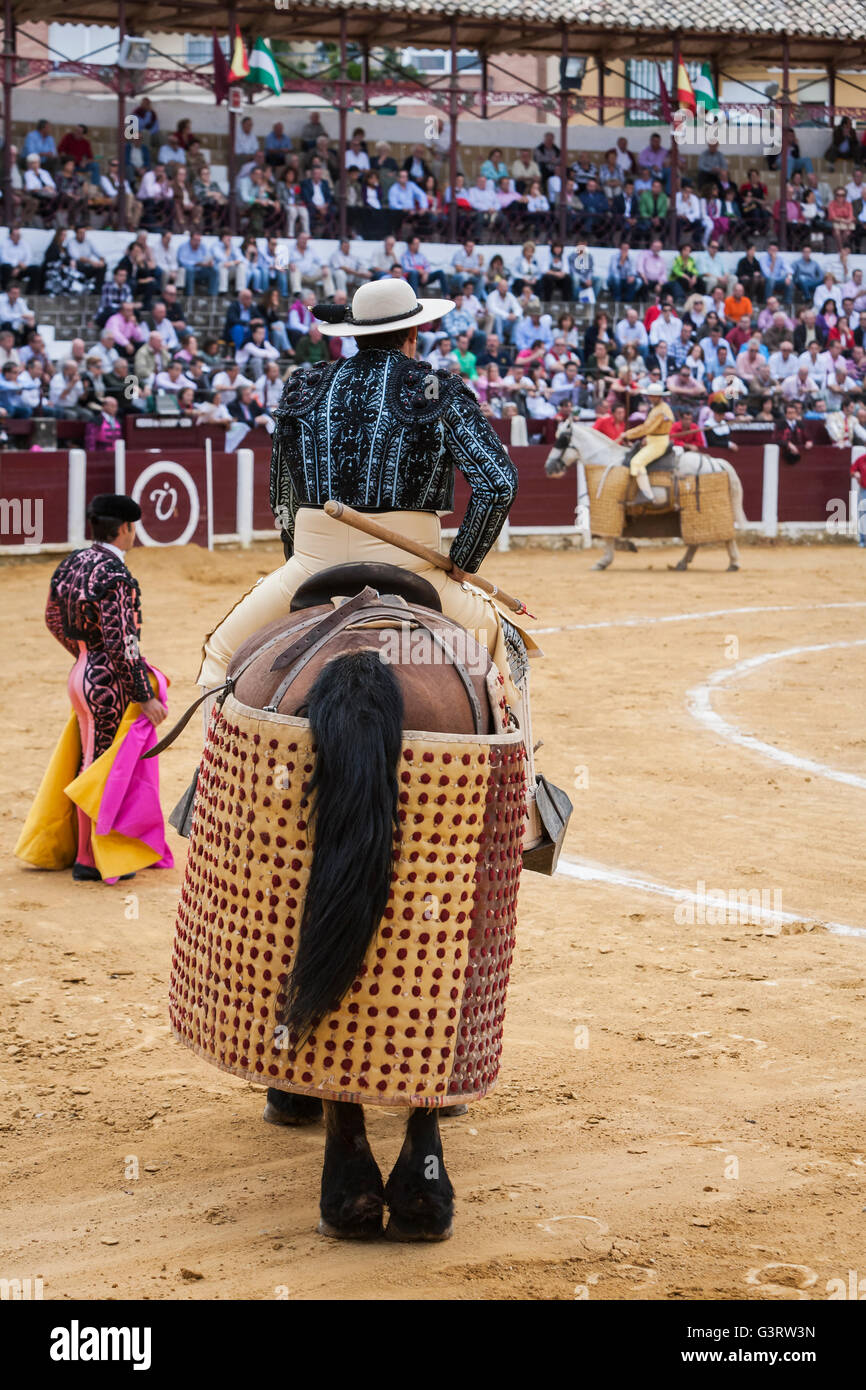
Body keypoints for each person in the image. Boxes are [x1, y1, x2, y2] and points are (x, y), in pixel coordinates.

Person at [198, 276, 533, 718]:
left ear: (353, 335)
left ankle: (213, 781)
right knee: (504, 647)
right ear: (414, 333)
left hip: (314, 563)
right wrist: (461, 564)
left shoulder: (304, 386)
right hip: (413, 567)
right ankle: (517, 777)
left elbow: (283, 496)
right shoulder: (436, 388)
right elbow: (499, 484)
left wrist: (300, 562)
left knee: (219, 659)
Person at [16, 495, 171, 884]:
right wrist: (142, 693)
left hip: (80, 674)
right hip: (106, 683)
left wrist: (83, 654)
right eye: (133, 528)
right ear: (124, 529)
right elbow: (123, 642)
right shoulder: (117, 576)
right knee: (100, 768)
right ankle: (90, 858)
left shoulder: (72, 562)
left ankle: (88, 850)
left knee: (89, 761)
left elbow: (53, 617)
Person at [620, 381, 674, 503]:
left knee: (636, 462)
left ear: (658, 396)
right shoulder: (658, 408)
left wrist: (627, 434)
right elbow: (651, 430)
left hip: (658, 443)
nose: (649, 398)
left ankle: (647, 495)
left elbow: (646, 428)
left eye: (651, 396)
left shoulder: (660, 411)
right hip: (654, 439)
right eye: (649, 395)